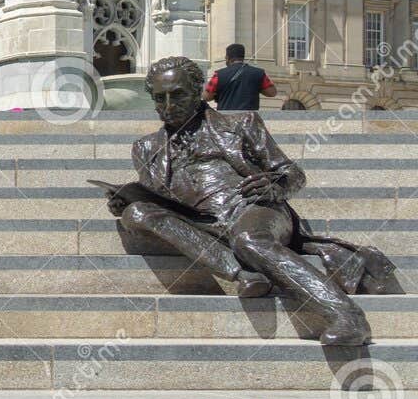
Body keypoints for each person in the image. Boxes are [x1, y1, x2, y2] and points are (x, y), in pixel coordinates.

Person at [107, 56, 396, 346]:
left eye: (177, 94)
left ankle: (347, 316)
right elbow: (155, 195)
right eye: (160, 98)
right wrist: (125, 200)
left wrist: (274, 184)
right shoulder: (145, 147)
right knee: (136, 214)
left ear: (198, 91)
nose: (168, 106)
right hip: (201, 223)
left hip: (255, 207)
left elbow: (293, 174)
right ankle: (241, 271)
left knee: (247, 238)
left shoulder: (241, 123)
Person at [203, 43, 277, 111]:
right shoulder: (258, 73)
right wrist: (256, 86)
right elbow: (272, 93)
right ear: (242, 57)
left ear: (227, 58)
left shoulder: (219, 75)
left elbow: (206, 97)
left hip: (226, 119)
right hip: (249, 119)